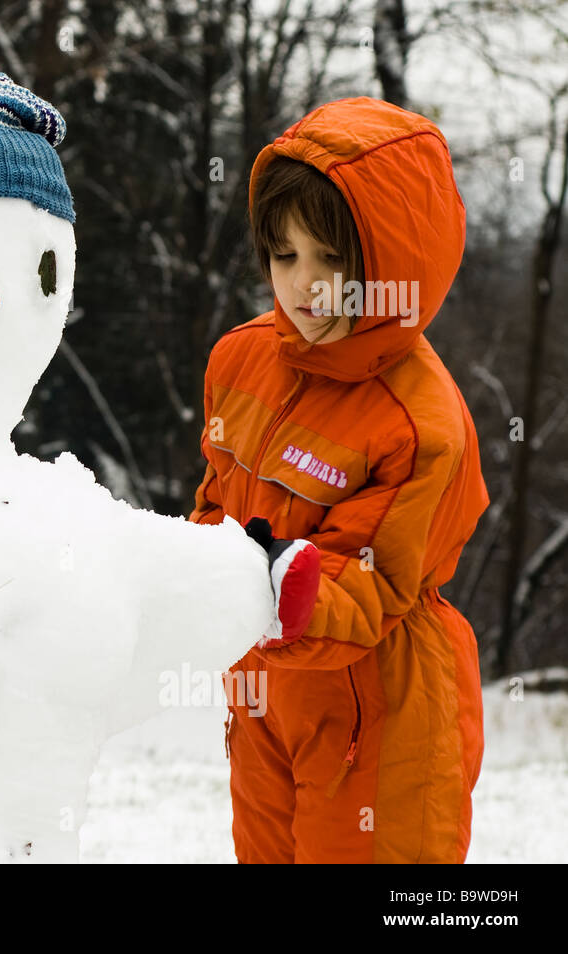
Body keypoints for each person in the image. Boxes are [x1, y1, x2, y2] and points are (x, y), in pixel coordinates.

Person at [188, 97, 490, 863]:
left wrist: (272, 590)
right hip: (265, 693)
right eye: (284, 256)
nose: (305, 286)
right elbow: (218, 500)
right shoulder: (241, 358)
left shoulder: (420, 422)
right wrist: (178, 574)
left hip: (377, 706)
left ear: (391, 262)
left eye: (332, 258)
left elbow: (372, 587)